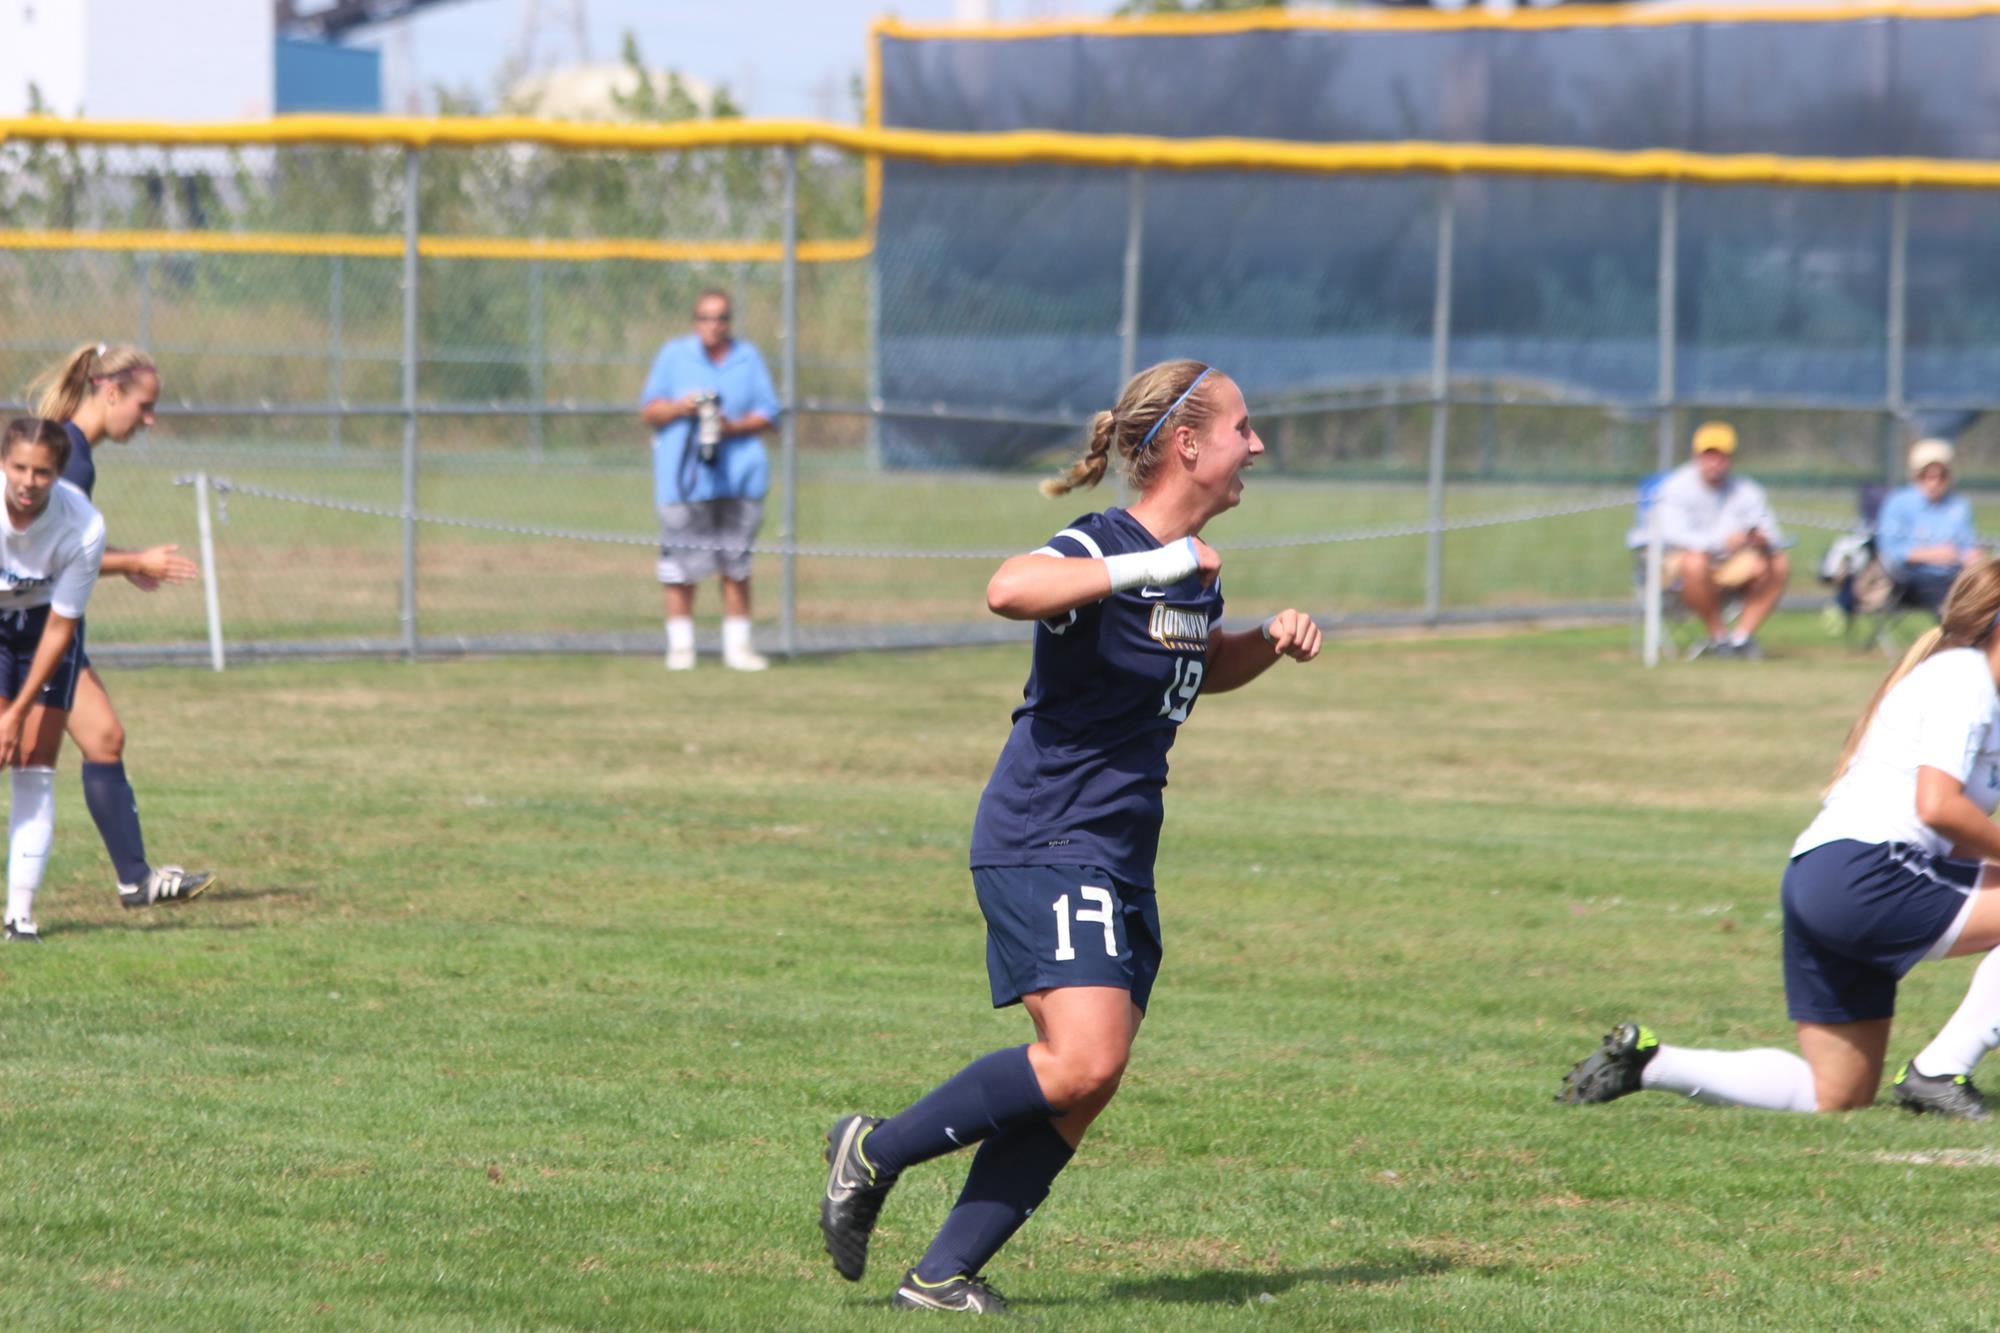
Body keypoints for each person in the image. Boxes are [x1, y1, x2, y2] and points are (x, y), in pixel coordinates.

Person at [816, 360, 1323, 1313]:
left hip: (1122, 852)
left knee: (1088, 1083)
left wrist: (1266, 641)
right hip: (1046, 834)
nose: (1256, 444)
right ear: (1187, 445)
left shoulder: (1198, 566)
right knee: (1082, 1058)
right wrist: (1155, 565)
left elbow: (1192, 667)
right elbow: (1011, 589)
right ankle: (870, 1149)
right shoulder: (1109, 542)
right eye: (1243, 427)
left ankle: (939, 1277)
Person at [1560, 560, 2000, 1120]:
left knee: (1836, 1094)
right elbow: (1937, 807)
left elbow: (1958, 849)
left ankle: (1648, 1063)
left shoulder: (1967, 685)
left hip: (1824, 876)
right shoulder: (1965, 679)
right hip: (1867, 873)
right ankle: (1938, 1073)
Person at [26, 343, 215, 910]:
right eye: (145, 405)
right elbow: (49, 558)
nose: (150, 419)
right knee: (24, 754)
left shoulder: (69, 446)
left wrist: (127, 560)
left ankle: (135, 880)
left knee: (104, 736)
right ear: (111, 393)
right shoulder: (69, 457)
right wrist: (135, 562)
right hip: (29, 629)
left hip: (49, 627)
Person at [0, 418, 107, 941]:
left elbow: (62, 626)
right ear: (3, 463)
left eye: (41, 471)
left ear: (60, 473)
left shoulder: (83, 526)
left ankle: (19, 916)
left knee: (35, 763)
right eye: (18, 467)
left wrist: (17, 713)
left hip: (45, 626)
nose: (27, 481)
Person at [638, 289, 782, 672]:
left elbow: (769, 412)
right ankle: (681, 650)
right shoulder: (674, 356)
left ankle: (738, 648)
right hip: (684, 480)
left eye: (721, 318)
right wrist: (680, 407)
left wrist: (731, 426)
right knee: (681, 568)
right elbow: (649, 410)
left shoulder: (747, 358)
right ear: (694, 320)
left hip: (739, 479)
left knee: (735, 566)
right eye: (705, 317)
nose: (713, 326)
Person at [1652, 420, 1790, 659]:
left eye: (1721, 456)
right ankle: (1718, 637)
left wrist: (1757, 540)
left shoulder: (1747, 491)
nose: (1715, 463)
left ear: (1731, 458)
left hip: (1732, 566)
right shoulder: (1676, 487)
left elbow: (1772, 533)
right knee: (1694, 561)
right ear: (1696, 456)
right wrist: (1722, 542)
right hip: (1682, 569)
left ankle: (1741, 639)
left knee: (1778, 562)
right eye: (1709, 455)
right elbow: (1672, 534)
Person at [1876, 437, 1980, 616]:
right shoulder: (1898, 503)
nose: (1934, 482)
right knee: (1952, 601)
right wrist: (1933, 555)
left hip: (1956, 574)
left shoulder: (1959, 506)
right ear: (1916, 476)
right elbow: (1891, 550)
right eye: (1927, 476)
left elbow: (1967, 545)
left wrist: (1973, 557)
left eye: (1941, 476)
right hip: (1913, 578)